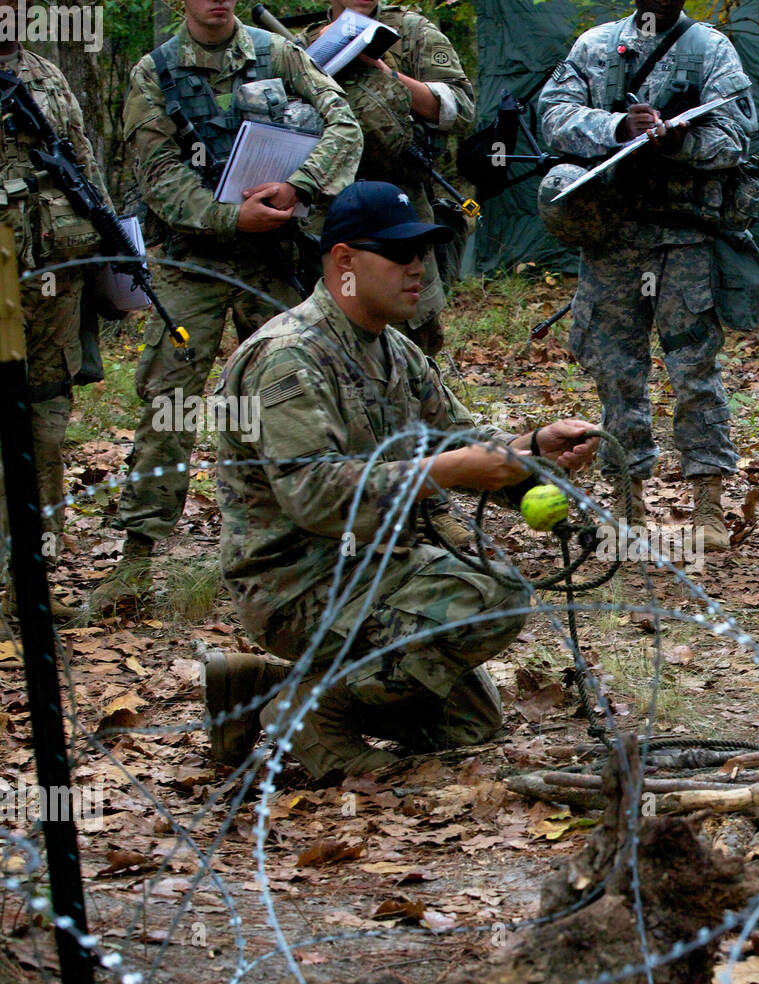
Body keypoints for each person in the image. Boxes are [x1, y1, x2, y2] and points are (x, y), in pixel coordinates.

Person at [205, 182, 599, 780]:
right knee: (491, 600)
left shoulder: (393, 351)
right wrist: (444, 472)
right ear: (345, 261)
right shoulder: (288, 357)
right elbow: (314, 497)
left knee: (467, 722)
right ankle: (308, 711)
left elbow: (459, 441)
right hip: (295, 579)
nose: (417, 267)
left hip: (372, 565)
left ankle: (261, 687)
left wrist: (532, 452)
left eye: (422, 253)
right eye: (398, 254)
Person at [91, 0, 361, 613]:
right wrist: (227, 216)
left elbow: (343, 122)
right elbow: (158, 174)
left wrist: (302, 184)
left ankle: (318, 538)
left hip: (276, 253)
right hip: (196, 259)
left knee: (301, 391)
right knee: (170, 399)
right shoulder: (154, 73)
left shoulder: (277, 53)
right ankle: (136, 560)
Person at [536, 0, 758, 551]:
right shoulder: (594, 46)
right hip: (611, 239)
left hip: (683, 239)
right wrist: (615, 125)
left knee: (694, 371)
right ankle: (627, 503)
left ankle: (707, 506)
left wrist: (680, 140)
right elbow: (553, 118)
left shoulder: (710, 50)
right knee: (616, 375)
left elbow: (738, 135)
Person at [0, 4, 106, 621]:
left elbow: (82, 160)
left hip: (55, 280)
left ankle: (30, 588)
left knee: (46, 424)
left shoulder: (45, 73)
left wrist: (109, 247)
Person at [301, 0, 475, 359]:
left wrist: (383, 72)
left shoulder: (411, 32)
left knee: (408, 347)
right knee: (324, 341)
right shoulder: (299, 44)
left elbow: (462, 110)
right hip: (326, 213)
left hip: (401, 213)